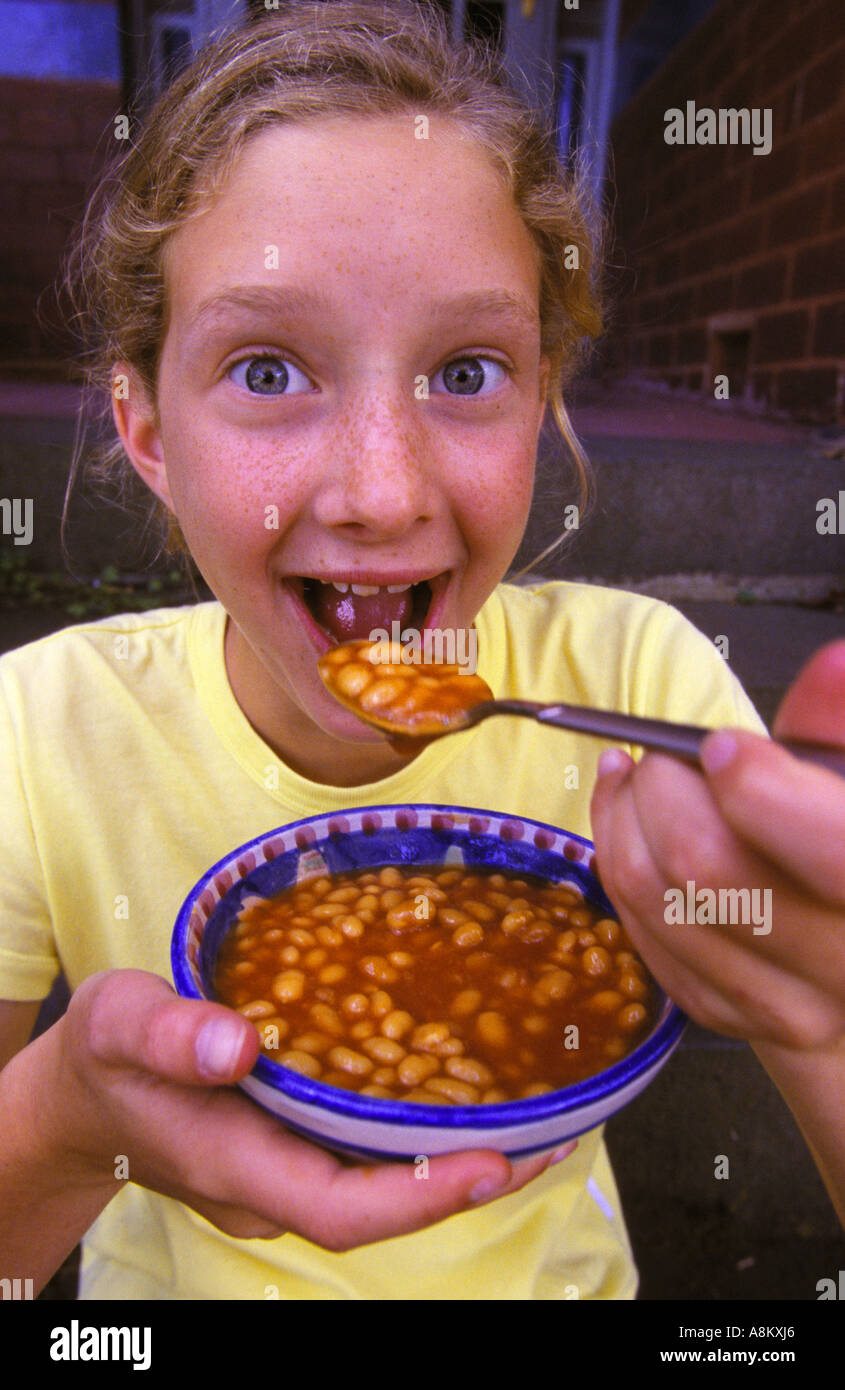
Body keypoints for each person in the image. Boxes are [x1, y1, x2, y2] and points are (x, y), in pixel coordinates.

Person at [0, 2, 842, 1301]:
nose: (382, 493)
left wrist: (831, 1019)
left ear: (544, 395)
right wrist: (59, 1124)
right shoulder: (38, 726)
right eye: (268, 369)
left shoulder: (641, 689)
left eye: (464, 369)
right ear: (147, 430)